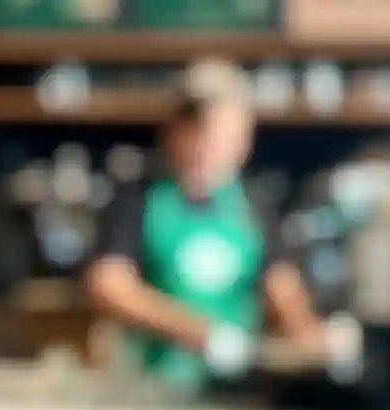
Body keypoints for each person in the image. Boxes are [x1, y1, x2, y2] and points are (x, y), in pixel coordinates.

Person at [86, 60, 327, 391]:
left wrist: (311, 344)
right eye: (197, 128)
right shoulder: (139, 199)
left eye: (222, 131)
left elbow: (282, 287)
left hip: (237, 388)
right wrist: (197, 332)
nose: (208, 142)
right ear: (173, 131)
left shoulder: (254, 206)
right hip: (152, 385)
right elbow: (110, 284)